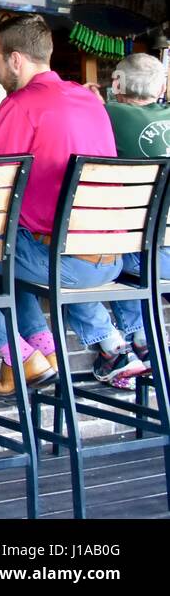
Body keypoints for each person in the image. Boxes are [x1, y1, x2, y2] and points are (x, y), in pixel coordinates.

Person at [0, 15, 147, 393]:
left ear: (15, 60)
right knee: (14, 255)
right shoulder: (90, 101)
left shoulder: (21, 105)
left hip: (61, 263)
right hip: (111, 260)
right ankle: (46, 352)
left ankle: (20, 357)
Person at [91, 52, 170, 381]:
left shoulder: (107, 113)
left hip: (140, 256)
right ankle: (144, 342)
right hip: (164, 256)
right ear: (162, 87)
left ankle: (118, 345)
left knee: (103, 255)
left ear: (117, 84)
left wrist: (91, 101)